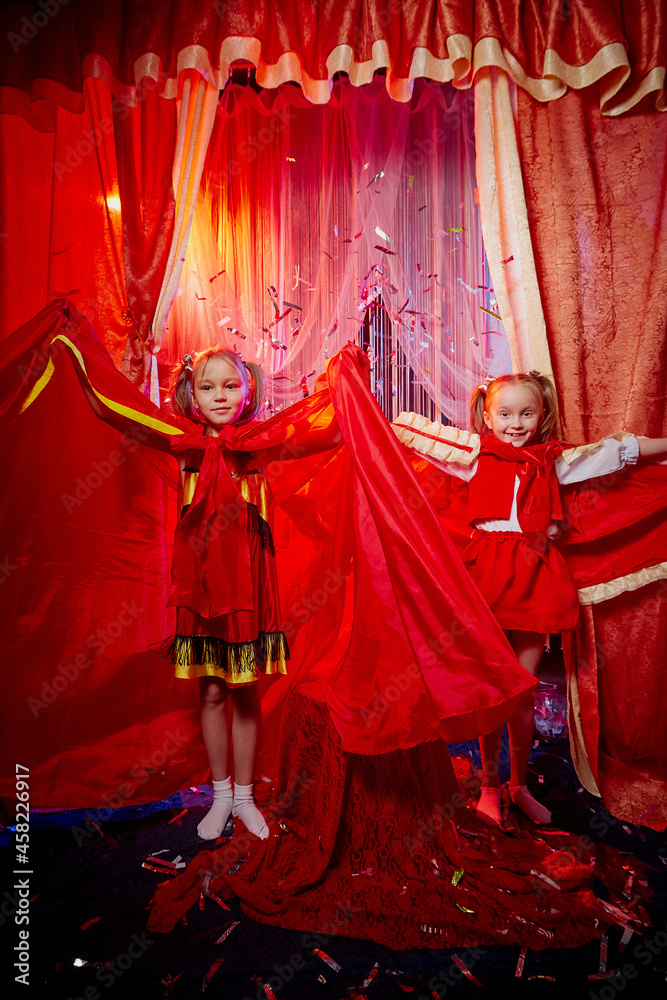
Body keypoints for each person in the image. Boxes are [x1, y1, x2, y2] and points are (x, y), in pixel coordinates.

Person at [394, 372, 667, 828]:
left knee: (521, 691)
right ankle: (486, 787)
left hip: (535, 580)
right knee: (490, 691)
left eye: (526, 413)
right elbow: (413, 434)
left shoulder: (555, 461)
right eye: (504, 414)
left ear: (541, 417)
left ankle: (516, 785)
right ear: (487, 415)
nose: (515, 423)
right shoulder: (474, 453)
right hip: (484, 583)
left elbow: (618, 452)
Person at [167, 348, 340, 841]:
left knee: (244, 690)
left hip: (248, 585)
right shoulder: (184, 444)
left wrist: (345, 378)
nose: (220, 396)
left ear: (247, 392)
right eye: (207, 387)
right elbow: (120, 414)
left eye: (230, 386)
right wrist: (73, 352)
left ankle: (244, 797)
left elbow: (328, 430)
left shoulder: (260, 443)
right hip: (200, 589)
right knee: (213, 688)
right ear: (191, 395)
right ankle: (221, 795)